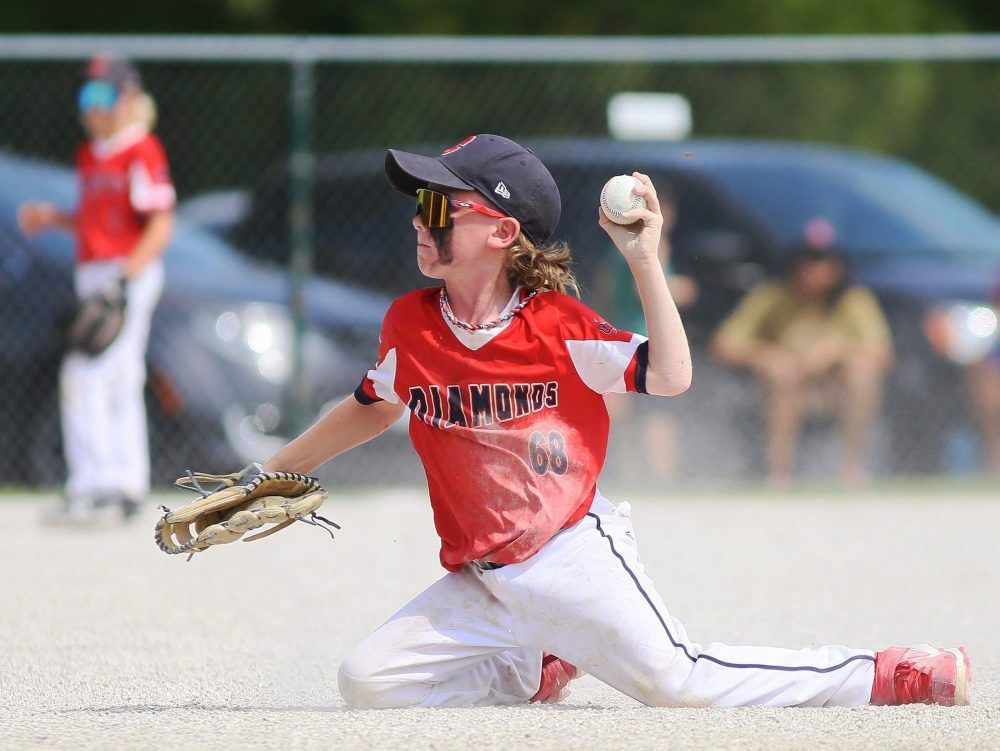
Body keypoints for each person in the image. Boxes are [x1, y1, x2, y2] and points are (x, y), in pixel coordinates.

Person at [261, 134, 967, 709]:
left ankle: (884, 672)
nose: (421, 219)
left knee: (680, 682)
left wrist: (643, 259)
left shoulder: (558, 326)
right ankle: (535, 668)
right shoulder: (409, 323)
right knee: (368, 681)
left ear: (502, 230)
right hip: (483, 578)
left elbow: (671, 375)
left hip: (570, 555)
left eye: (440, 207)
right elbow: (372, 404)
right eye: (420, 204)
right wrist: (270, 473)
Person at [18, 56, 175, 522]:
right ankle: (126, 484)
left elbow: (160, 223)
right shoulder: (91, 152)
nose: (92, 106)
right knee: (120, 377)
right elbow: (98, 220)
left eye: (103, 95)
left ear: (128, 98)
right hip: (96, 273)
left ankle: (94, 486)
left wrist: (125, 278)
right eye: (87, 95)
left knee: (84, 375)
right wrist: (54, 218)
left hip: (125, 274)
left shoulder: (140, 148)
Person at [711, 245, 893, 487]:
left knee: (861, 376)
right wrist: (767, 355)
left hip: (833, 387)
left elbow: (882, 352)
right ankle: (779, 473)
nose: (815, 271)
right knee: (783, 378)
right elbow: (724, 344)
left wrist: (836, 351)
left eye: (822, 263)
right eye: (809, 262)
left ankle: (852, 468)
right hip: (782, 388)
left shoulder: (853, 299)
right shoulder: (771, 296)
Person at [595, 183, 697, 485]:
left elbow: (604, 291)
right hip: (648, 336)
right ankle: (663, 477)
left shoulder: (617, 247)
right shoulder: (654, 245)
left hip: (622, 336)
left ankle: (628, 475)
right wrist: (684, 289)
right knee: (657, 414)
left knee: (624, 414)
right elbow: (650, 290)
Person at [964, 274, 1000, 474]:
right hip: (993, 373)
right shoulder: (988, 323)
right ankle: (994, 460)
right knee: (987, 385)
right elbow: (977, 356)